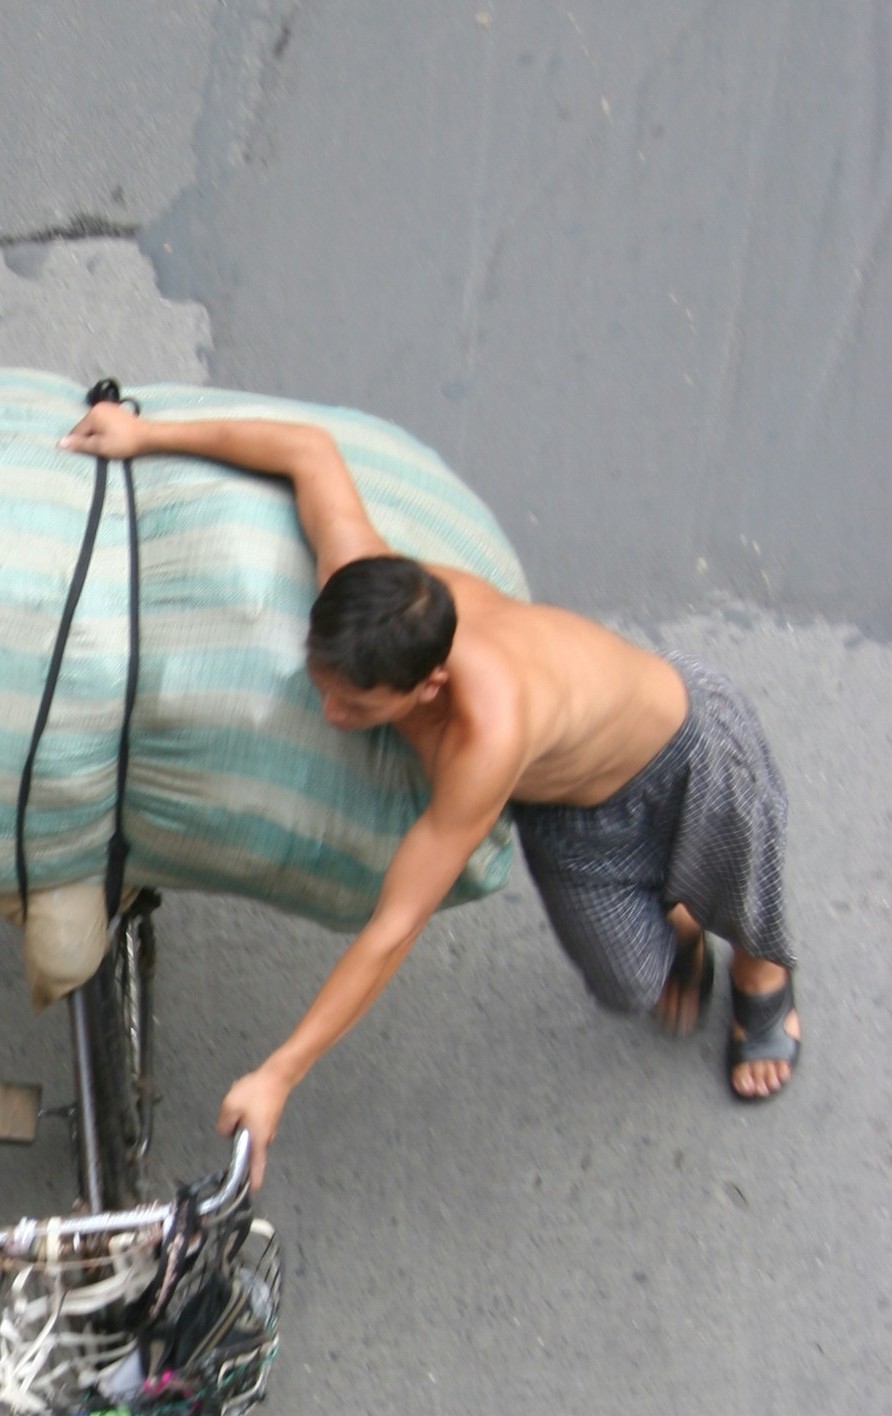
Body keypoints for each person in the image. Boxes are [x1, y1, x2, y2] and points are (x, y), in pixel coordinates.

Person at [63, 396, 800, 1179]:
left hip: (685, 755)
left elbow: (393, 929)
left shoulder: (488, 736)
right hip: (567, 808)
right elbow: (306, 449)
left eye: (357, 705)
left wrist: (279, 1073)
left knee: (749, 913)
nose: (331, 712)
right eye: (325, 685)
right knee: (632, 983)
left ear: (430, 685)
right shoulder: (360, 582)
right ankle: (680, 912)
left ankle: (768, 981)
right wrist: (144, 434)